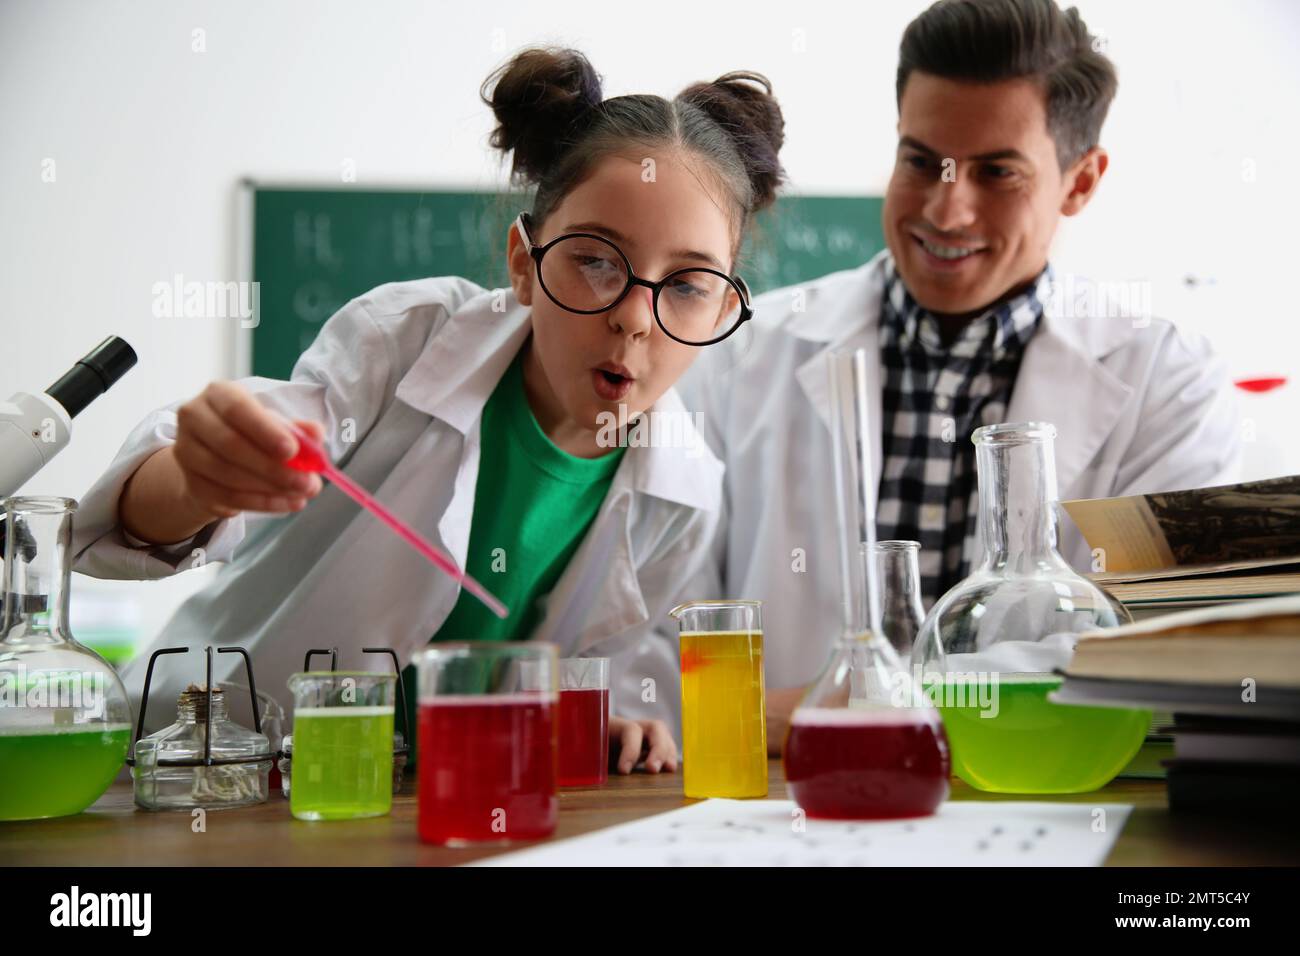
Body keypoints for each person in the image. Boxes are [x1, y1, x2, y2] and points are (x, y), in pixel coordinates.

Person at [71, 47, 786, 770]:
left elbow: (595, 666)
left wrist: (611, 718)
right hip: (203, 771)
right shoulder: (404, 342)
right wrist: (196, 482)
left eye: (689, 284)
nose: (635, 316)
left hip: (422, 804)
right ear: (524, 264)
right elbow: (150, 518)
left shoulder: (684, 495)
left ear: (726, 306)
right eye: (596, 260)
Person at [678, 0, 1242, 751]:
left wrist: (821, 710)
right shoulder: (737, 351)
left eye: (996, 172)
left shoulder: (1171, 385)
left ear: (1080, 182)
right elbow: (658, 632)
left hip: (1049, 812)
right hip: (780, 812)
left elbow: (1155, 663)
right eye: (921, 162)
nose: (947, 210)